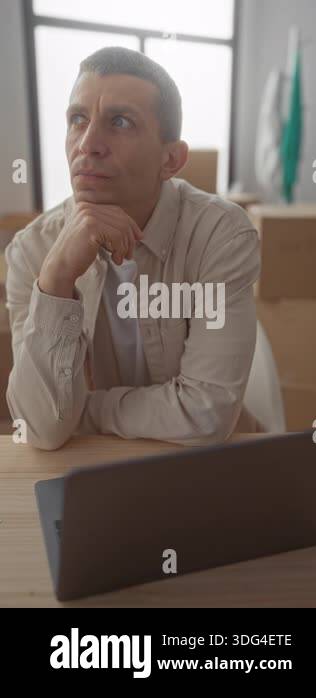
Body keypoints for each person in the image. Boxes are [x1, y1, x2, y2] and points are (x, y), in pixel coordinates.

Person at [5, 46, 262, 451]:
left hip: (205, 464)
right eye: (77, 119)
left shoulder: (220, 235)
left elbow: (206, 413)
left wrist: (85, 411)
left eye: (120, 122)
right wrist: (55, 279)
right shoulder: (32, 251)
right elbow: (40, 429)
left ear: (171, 160)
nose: (88, 144)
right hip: (95, 471)